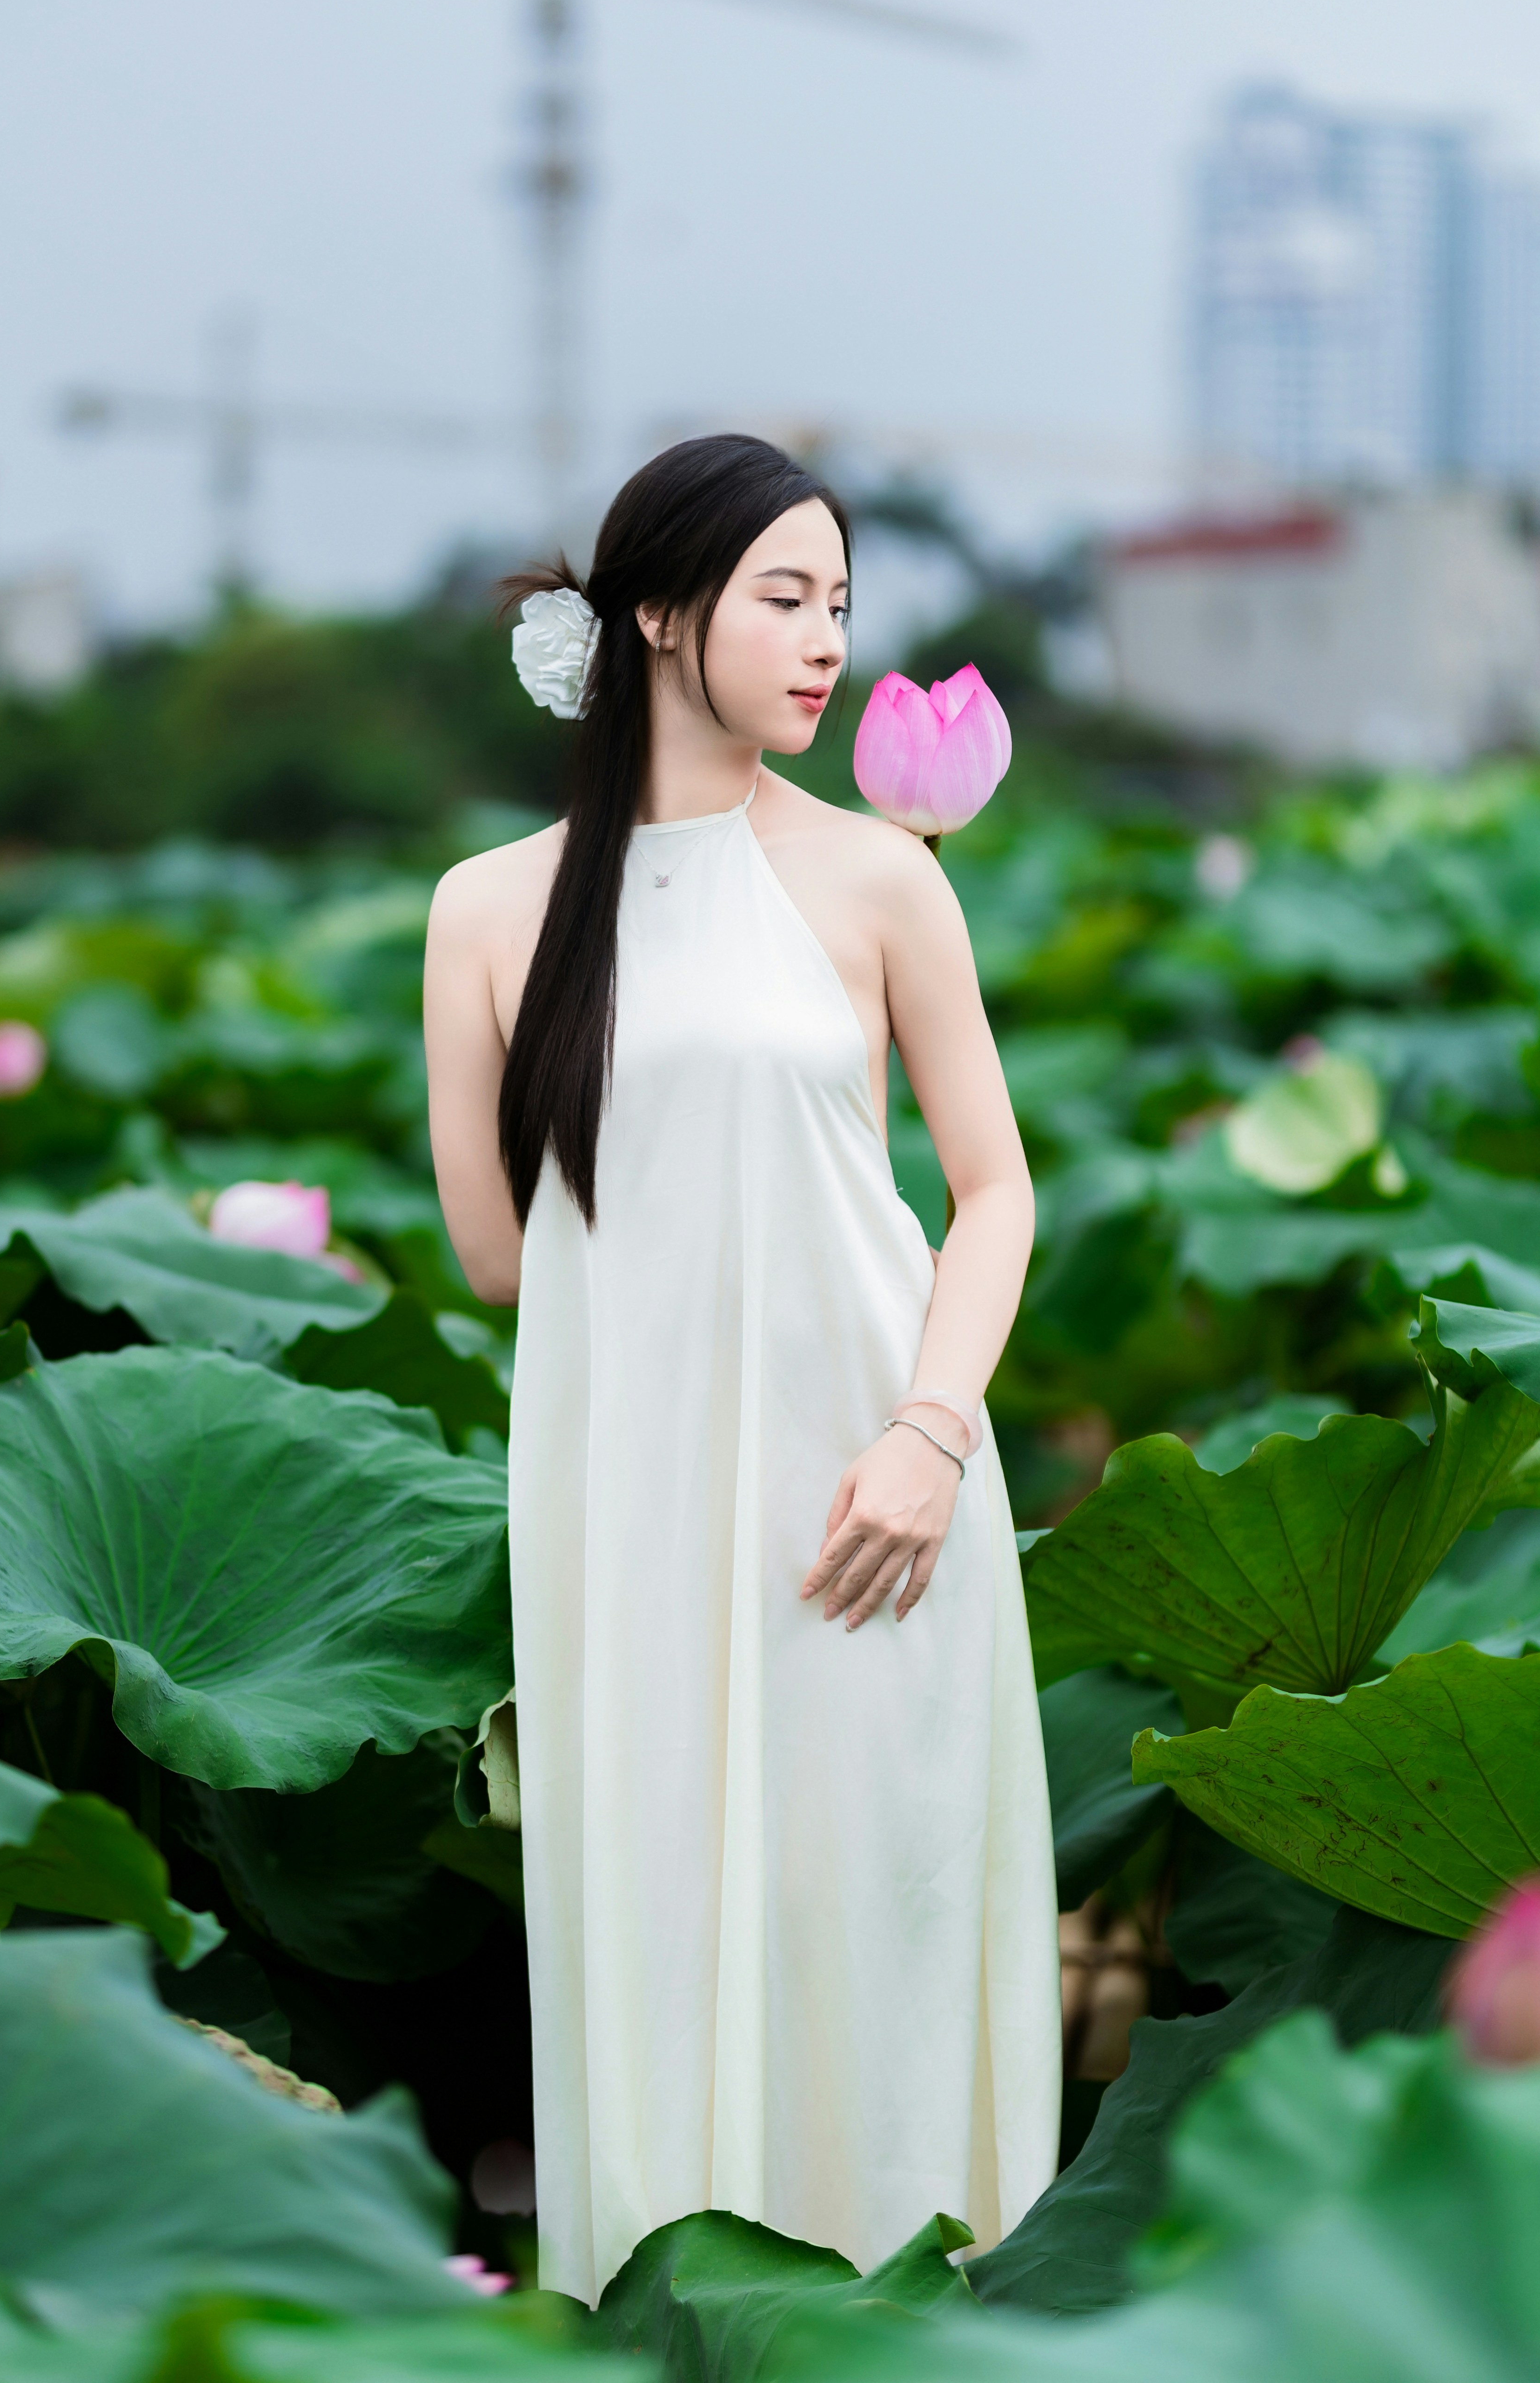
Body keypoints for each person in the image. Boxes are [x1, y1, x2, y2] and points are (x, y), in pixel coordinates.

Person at [423, 434, 1059, 2309]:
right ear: (654, 613)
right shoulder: (484, 907)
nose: (827, 646)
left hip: (875, 1497)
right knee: (654, 1917)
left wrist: (930, 1440)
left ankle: (912, 2333)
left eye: (842, 606)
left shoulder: (879, 881)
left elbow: (998, 1191)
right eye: (786, 598)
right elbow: (494, 1256)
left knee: (869, 1920)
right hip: (627, 1505)